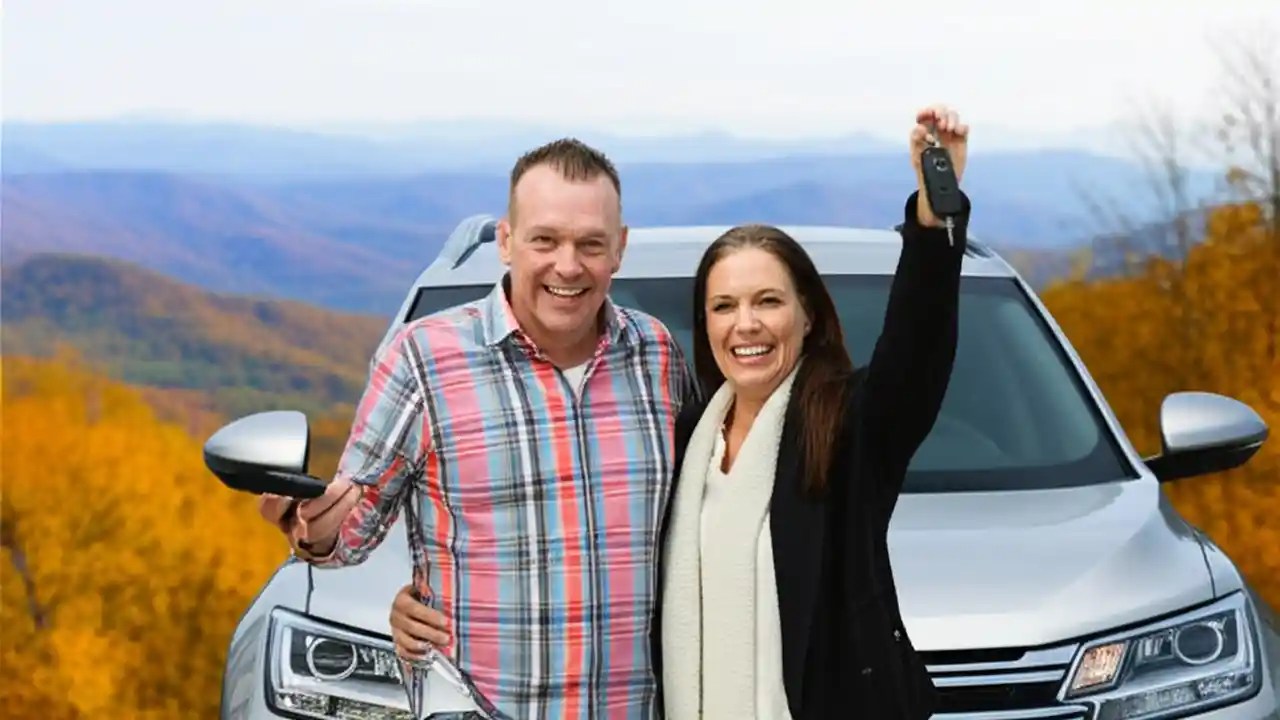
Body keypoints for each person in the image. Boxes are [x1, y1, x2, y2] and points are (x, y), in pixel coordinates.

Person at [389, 105, 972, 719]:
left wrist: (934, 226)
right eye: (724, 306)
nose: (745, 324)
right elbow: (598, 551)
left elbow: (918, 351)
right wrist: (432, 603)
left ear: (808, 315)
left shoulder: (846, 427)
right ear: (706, 325)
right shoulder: (686, 436)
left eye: (768, 301)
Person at [258, 137, 698, 720]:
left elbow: (703, 520)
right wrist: (313, 529)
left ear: (619, 248)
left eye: (590, 244)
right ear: (507, 241)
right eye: (545, 239)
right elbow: (351, 532)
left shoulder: (656, 355)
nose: (568, 265)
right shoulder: (423, 359)